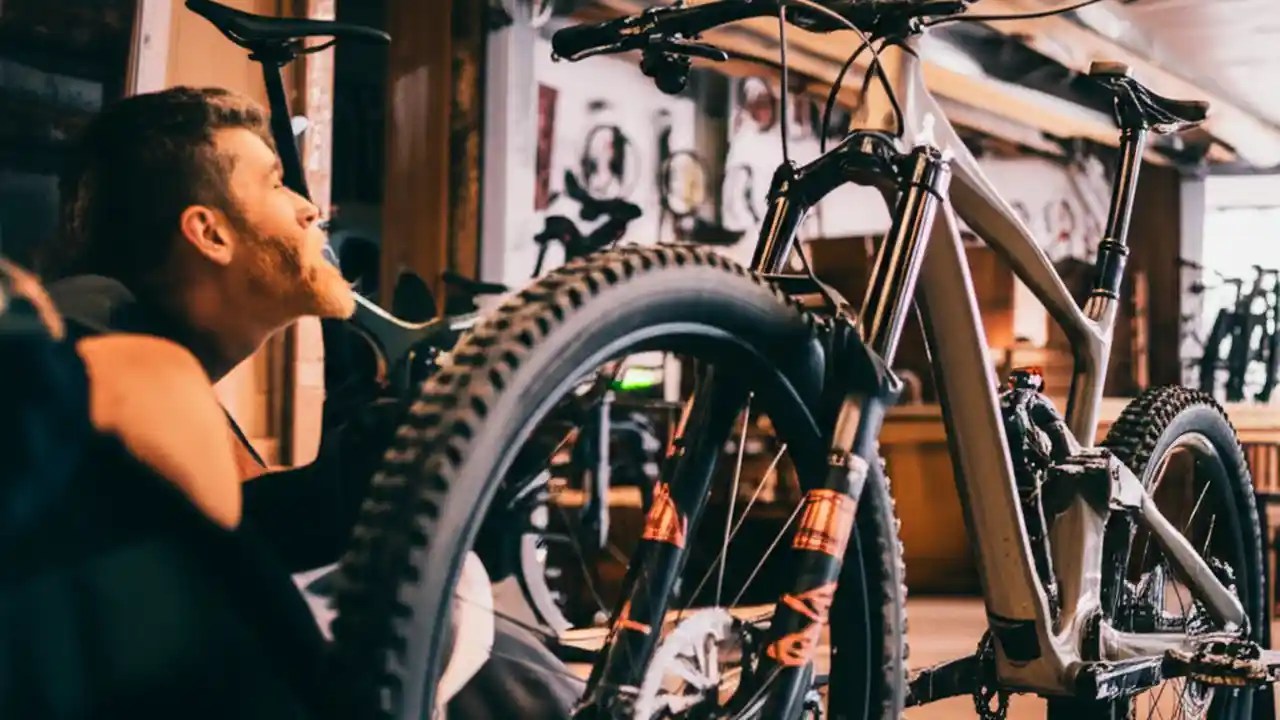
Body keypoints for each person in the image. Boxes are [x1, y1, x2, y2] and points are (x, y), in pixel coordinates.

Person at [35, 86, 579, 717]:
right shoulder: (92, 319)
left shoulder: (158, 357)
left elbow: (219, 539)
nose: (310, 209)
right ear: (208, 232)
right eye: (276, 184)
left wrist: (370, 473)